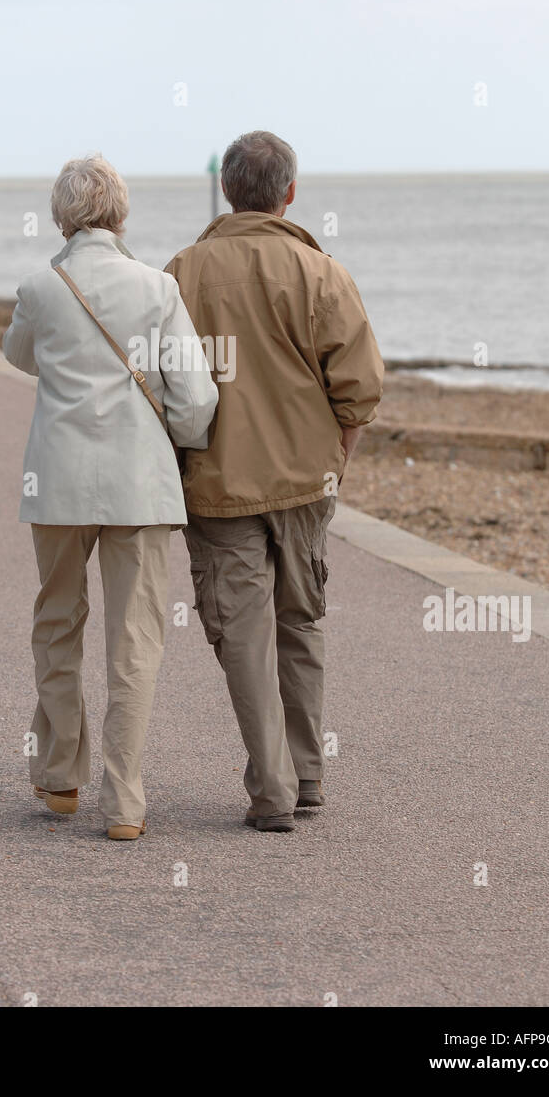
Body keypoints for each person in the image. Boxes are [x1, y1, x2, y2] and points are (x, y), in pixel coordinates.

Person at [166, 131, 384, 832]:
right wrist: (336, 456)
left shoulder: (182, 273)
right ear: (289, 192)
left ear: (228, 190)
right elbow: (359, 386)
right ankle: (307, 774)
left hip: (217, 483)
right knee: (301, 620)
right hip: (304, 482)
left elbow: (160, 384)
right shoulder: (321, 273)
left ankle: (272, 788)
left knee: (243, 634)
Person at [3, 155, 218, 840]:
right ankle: (123, 801)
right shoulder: (156, 288)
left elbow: (18, 355)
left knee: (57, 621)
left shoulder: (40, 285)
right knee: (135, 641)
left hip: (58, 482)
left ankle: (61, 772)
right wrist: (183, 438)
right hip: (139, 482)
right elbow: (194, 398)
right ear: (121, 214)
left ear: (61, 216)